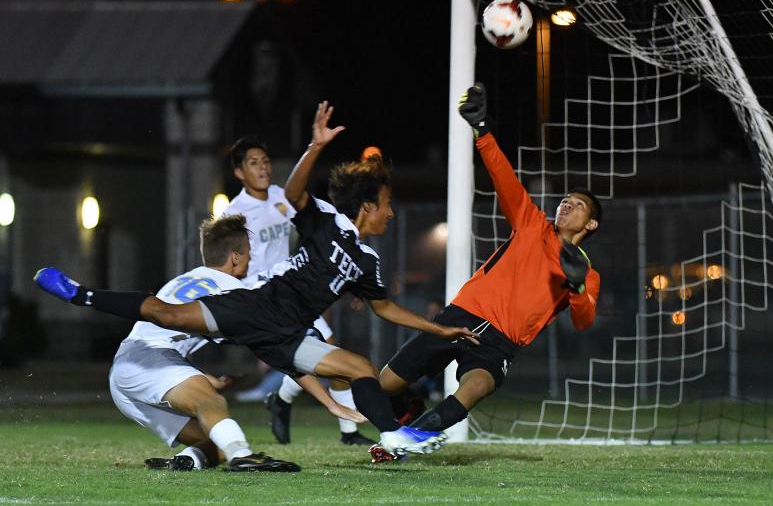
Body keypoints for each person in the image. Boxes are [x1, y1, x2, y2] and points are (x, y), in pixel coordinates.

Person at [34, 101, 479, 458]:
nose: (391, 212)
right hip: (258, 306)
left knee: (359, 367)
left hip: (286, 333)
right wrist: (315, 147)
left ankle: (393, 437)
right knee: (166, 314)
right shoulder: (326, 221)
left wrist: (438, 326)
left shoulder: (367, 261)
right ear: (366, 207)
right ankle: (80, 293)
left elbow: (385, 308)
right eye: (385, 204)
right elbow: (293, 194)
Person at [370, 83, 602, 462]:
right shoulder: (531, 224)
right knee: (385, 384)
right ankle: (408, 414)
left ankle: (405, 444)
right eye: (564, 200)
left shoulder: (586, 272)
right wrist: (482, 130)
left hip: (500, 344)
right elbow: (503, 177)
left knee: (475, 386)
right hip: (460, 317)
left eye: (577, 205)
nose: (566, 206)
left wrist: (575, 286)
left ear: (590, 225)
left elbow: (584, 319)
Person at [108, 214, 364, 472]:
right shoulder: (234, 292)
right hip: (151, 359)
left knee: (218, 440)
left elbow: (166, 336)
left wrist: (207, 378)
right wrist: (329, 402)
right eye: (249, 252)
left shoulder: (185, 279)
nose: (251, 258)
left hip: (124, 370)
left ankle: (188, 461)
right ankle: (243, 457)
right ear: (235, 257)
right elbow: (285, 353)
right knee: (213, 404)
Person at [222, 136, 372, 446]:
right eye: (253, 163)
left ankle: (284, 400)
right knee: (325, 357)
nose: (262, 167)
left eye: (265, 161)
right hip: (265, 299)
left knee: (330, 357)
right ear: (239, 173)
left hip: (295, 291)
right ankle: (347, 430)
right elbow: (227, 260)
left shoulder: (281, 196)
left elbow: (313, 226)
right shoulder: (235, 212)